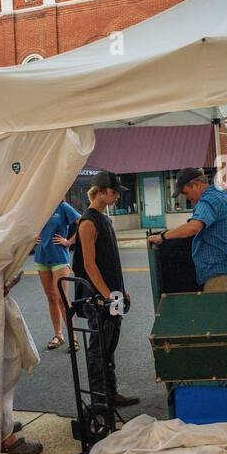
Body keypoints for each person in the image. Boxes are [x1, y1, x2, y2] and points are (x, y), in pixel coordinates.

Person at [72, 172, 139, 409]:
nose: (117, 196)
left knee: (109, 347)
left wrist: (121, 290)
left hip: (112, 294)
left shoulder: (105, 219)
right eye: (113, 192)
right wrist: (108, 295)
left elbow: (110, 261)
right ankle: (100, 399)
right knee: (98, 349)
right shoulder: (88, 221)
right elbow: (89, 264)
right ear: (100, 190)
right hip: (99, 299)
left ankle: (111, 393)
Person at [148, 167, 227, 292]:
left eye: (185, 192)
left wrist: (163, 236)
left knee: (215, 311)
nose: (186, 198)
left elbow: (193, 227)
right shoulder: (223, 194)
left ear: (195, 185)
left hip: (218, 273)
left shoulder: (208, 200)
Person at [35, 199, 80, 349]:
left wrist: (68, 241)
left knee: (61, 297)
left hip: (59, 257)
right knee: (51, 297)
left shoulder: (62, 206)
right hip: (41, 257)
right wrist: (31, 238)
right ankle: (58, 335)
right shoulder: (36, 206)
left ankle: (73, 337)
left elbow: (83, 223)